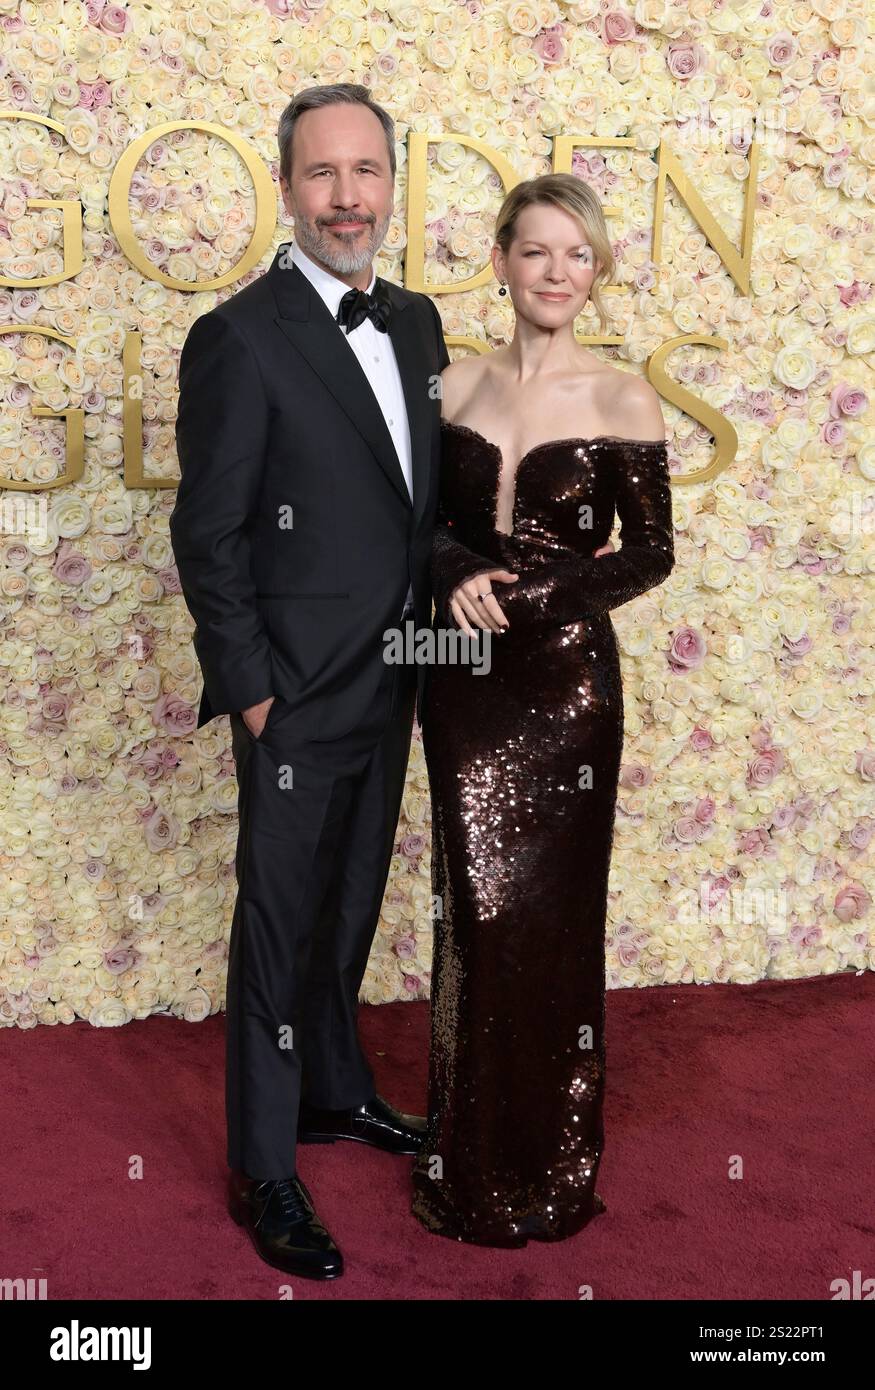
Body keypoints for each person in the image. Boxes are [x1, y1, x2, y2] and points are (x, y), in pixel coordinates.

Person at [170, 83, 451, 1281]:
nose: (347, 197)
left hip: (396, 677)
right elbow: (207, 533)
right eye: (323, 173)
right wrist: (253, 693)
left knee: (348, 904)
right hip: (292, 693)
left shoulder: (420, 323)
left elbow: (417, 507)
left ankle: (334, 1090)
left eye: (365, 171)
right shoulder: (239, 337)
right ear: (287, 188)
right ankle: (264, 1163)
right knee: (277, 926)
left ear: (390, 185)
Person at [410, 173, 676, 1246]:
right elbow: (419, 522)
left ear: (596, 270)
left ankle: (548, 1168)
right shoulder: (451, 386)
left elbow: (648, 554)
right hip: (462, 682)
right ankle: (467, 1164)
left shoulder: (621, 398)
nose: (556, 273)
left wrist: (533, 595)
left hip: (567, 689)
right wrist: (449, 568)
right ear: (501, 261)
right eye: (535, 251)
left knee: (553, 924)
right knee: (476, 916)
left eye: (577, 254)